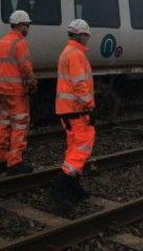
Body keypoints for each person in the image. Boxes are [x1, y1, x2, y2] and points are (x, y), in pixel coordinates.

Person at [51, 19, 96, 205]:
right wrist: (90, 106)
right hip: (77, 111)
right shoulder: (76, 54)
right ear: (81, 35)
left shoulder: (67, 52)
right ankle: (60, 187)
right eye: (87, 36)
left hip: (67, 111)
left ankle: (74, 187)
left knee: (73, 148)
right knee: (81, 149)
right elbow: (79, 84)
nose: (88, 39)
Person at [0, 9, 38, 174]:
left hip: (3, 91)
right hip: (17, 93)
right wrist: (32, 84)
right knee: (20, 125)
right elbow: (26, 68)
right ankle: (15, 162)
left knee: (4, 123)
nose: (28, 28)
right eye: (27, 25)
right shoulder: (20, 43)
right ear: (21, 25)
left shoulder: (2, 41)